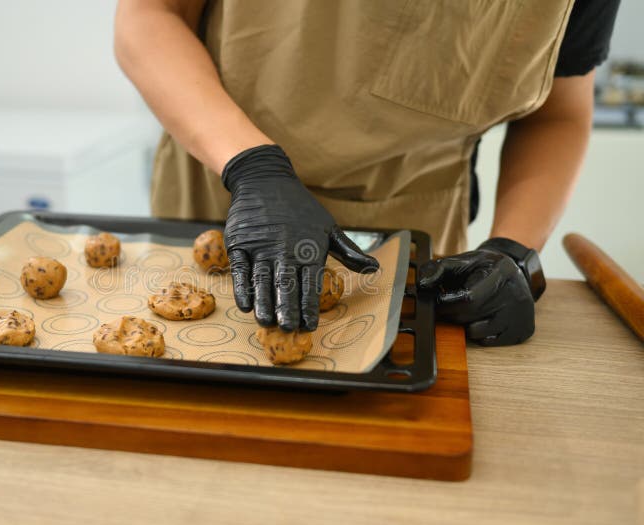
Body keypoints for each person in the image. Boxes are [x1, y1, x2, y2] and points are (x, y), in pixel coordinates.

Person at [114, 0, 620, 345]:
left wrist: (512, 247)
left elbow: (559, 113)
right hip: (223, 190)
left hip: (415, 230)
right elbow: (149, 15)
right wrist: (253, 166)